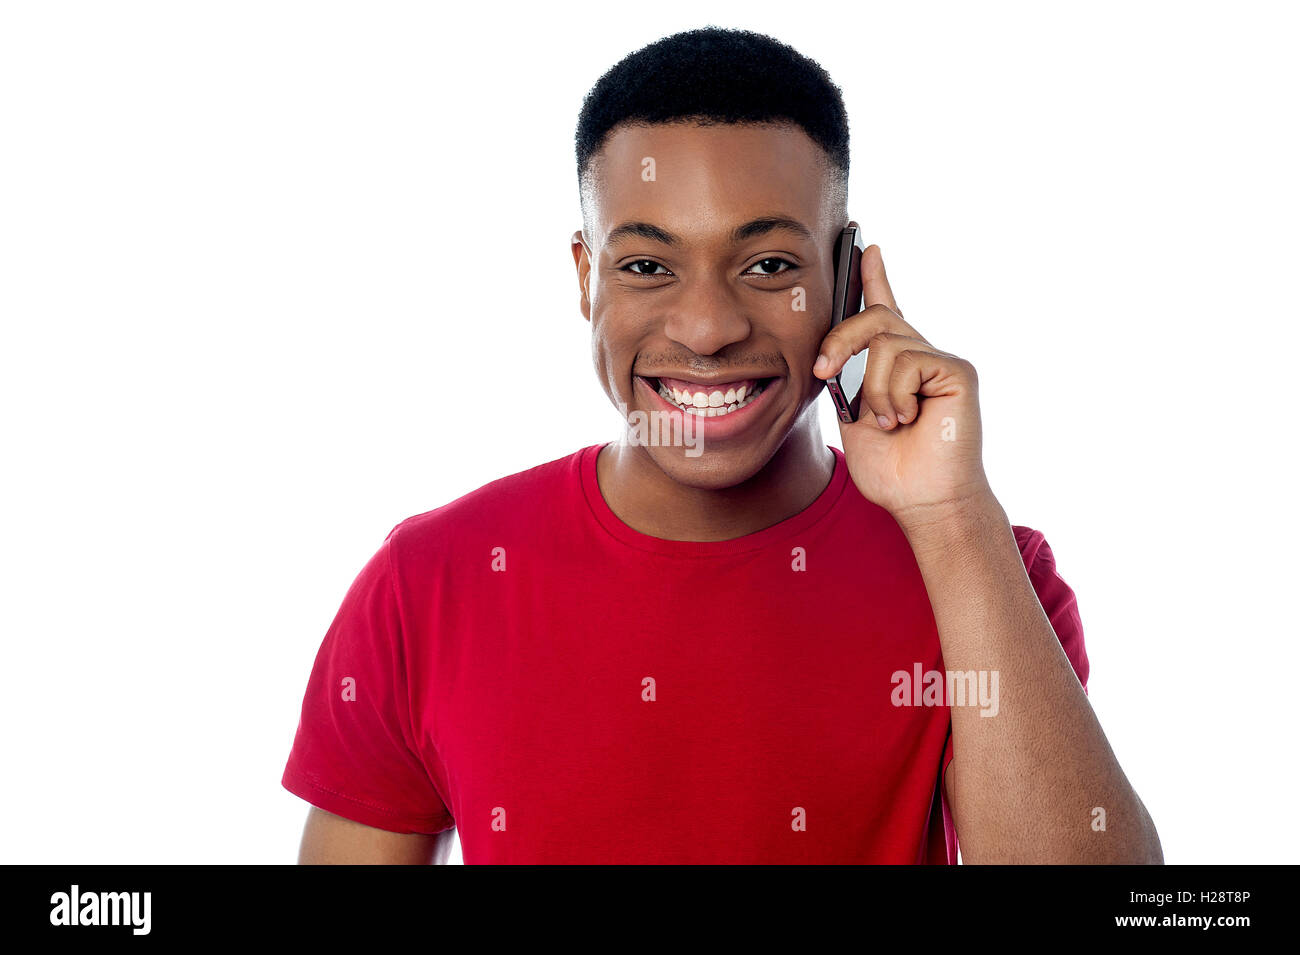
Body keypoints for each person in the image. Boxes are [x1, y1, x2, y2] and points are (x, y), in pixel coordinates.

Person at [281, 26, 1162, 864]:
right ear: (588, 278)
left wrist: (952, 515)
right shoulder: (425, 584)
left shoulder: (984, 570)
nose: (705, 329)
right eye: (648, 266)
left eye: (770, 265)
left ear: (847, 276)